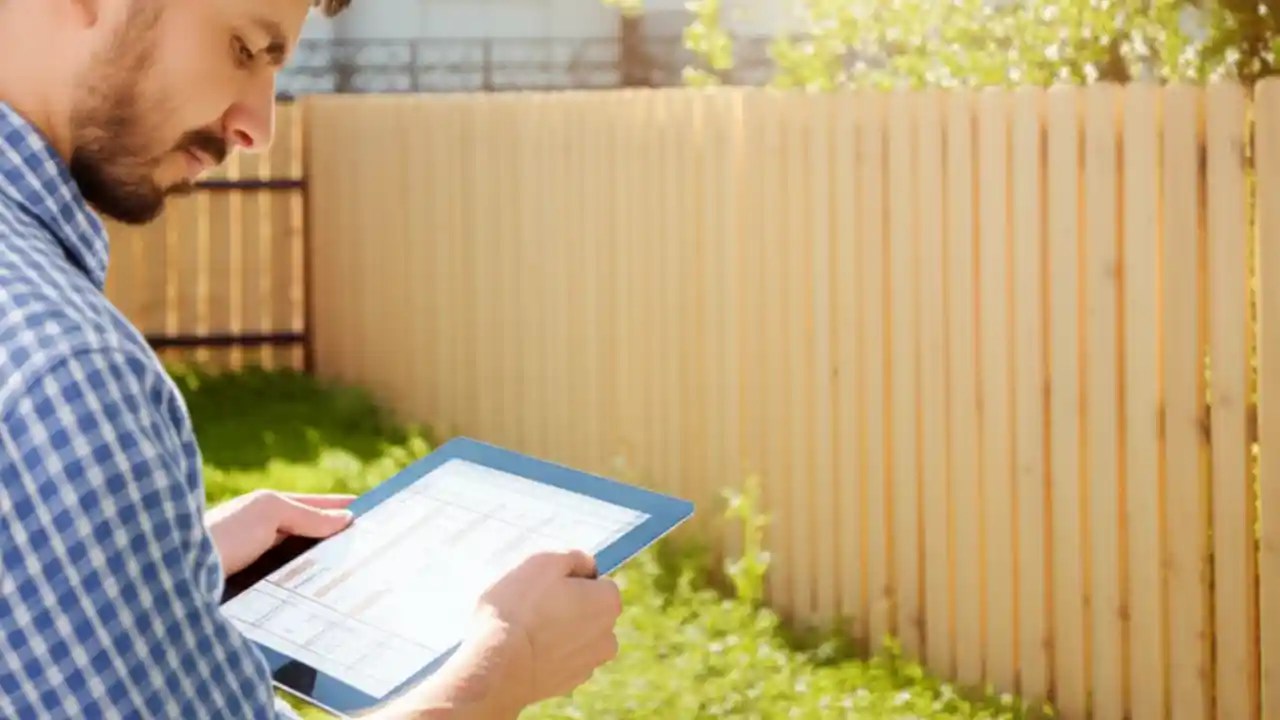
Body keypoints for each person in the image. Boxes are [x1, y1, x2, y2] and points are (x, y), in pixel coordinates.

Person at [0, 0, 624, 718]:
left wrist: (163, 561)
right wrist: (506, 665)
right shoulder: (67, 376)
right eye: (243, 47)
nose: (257, 128)